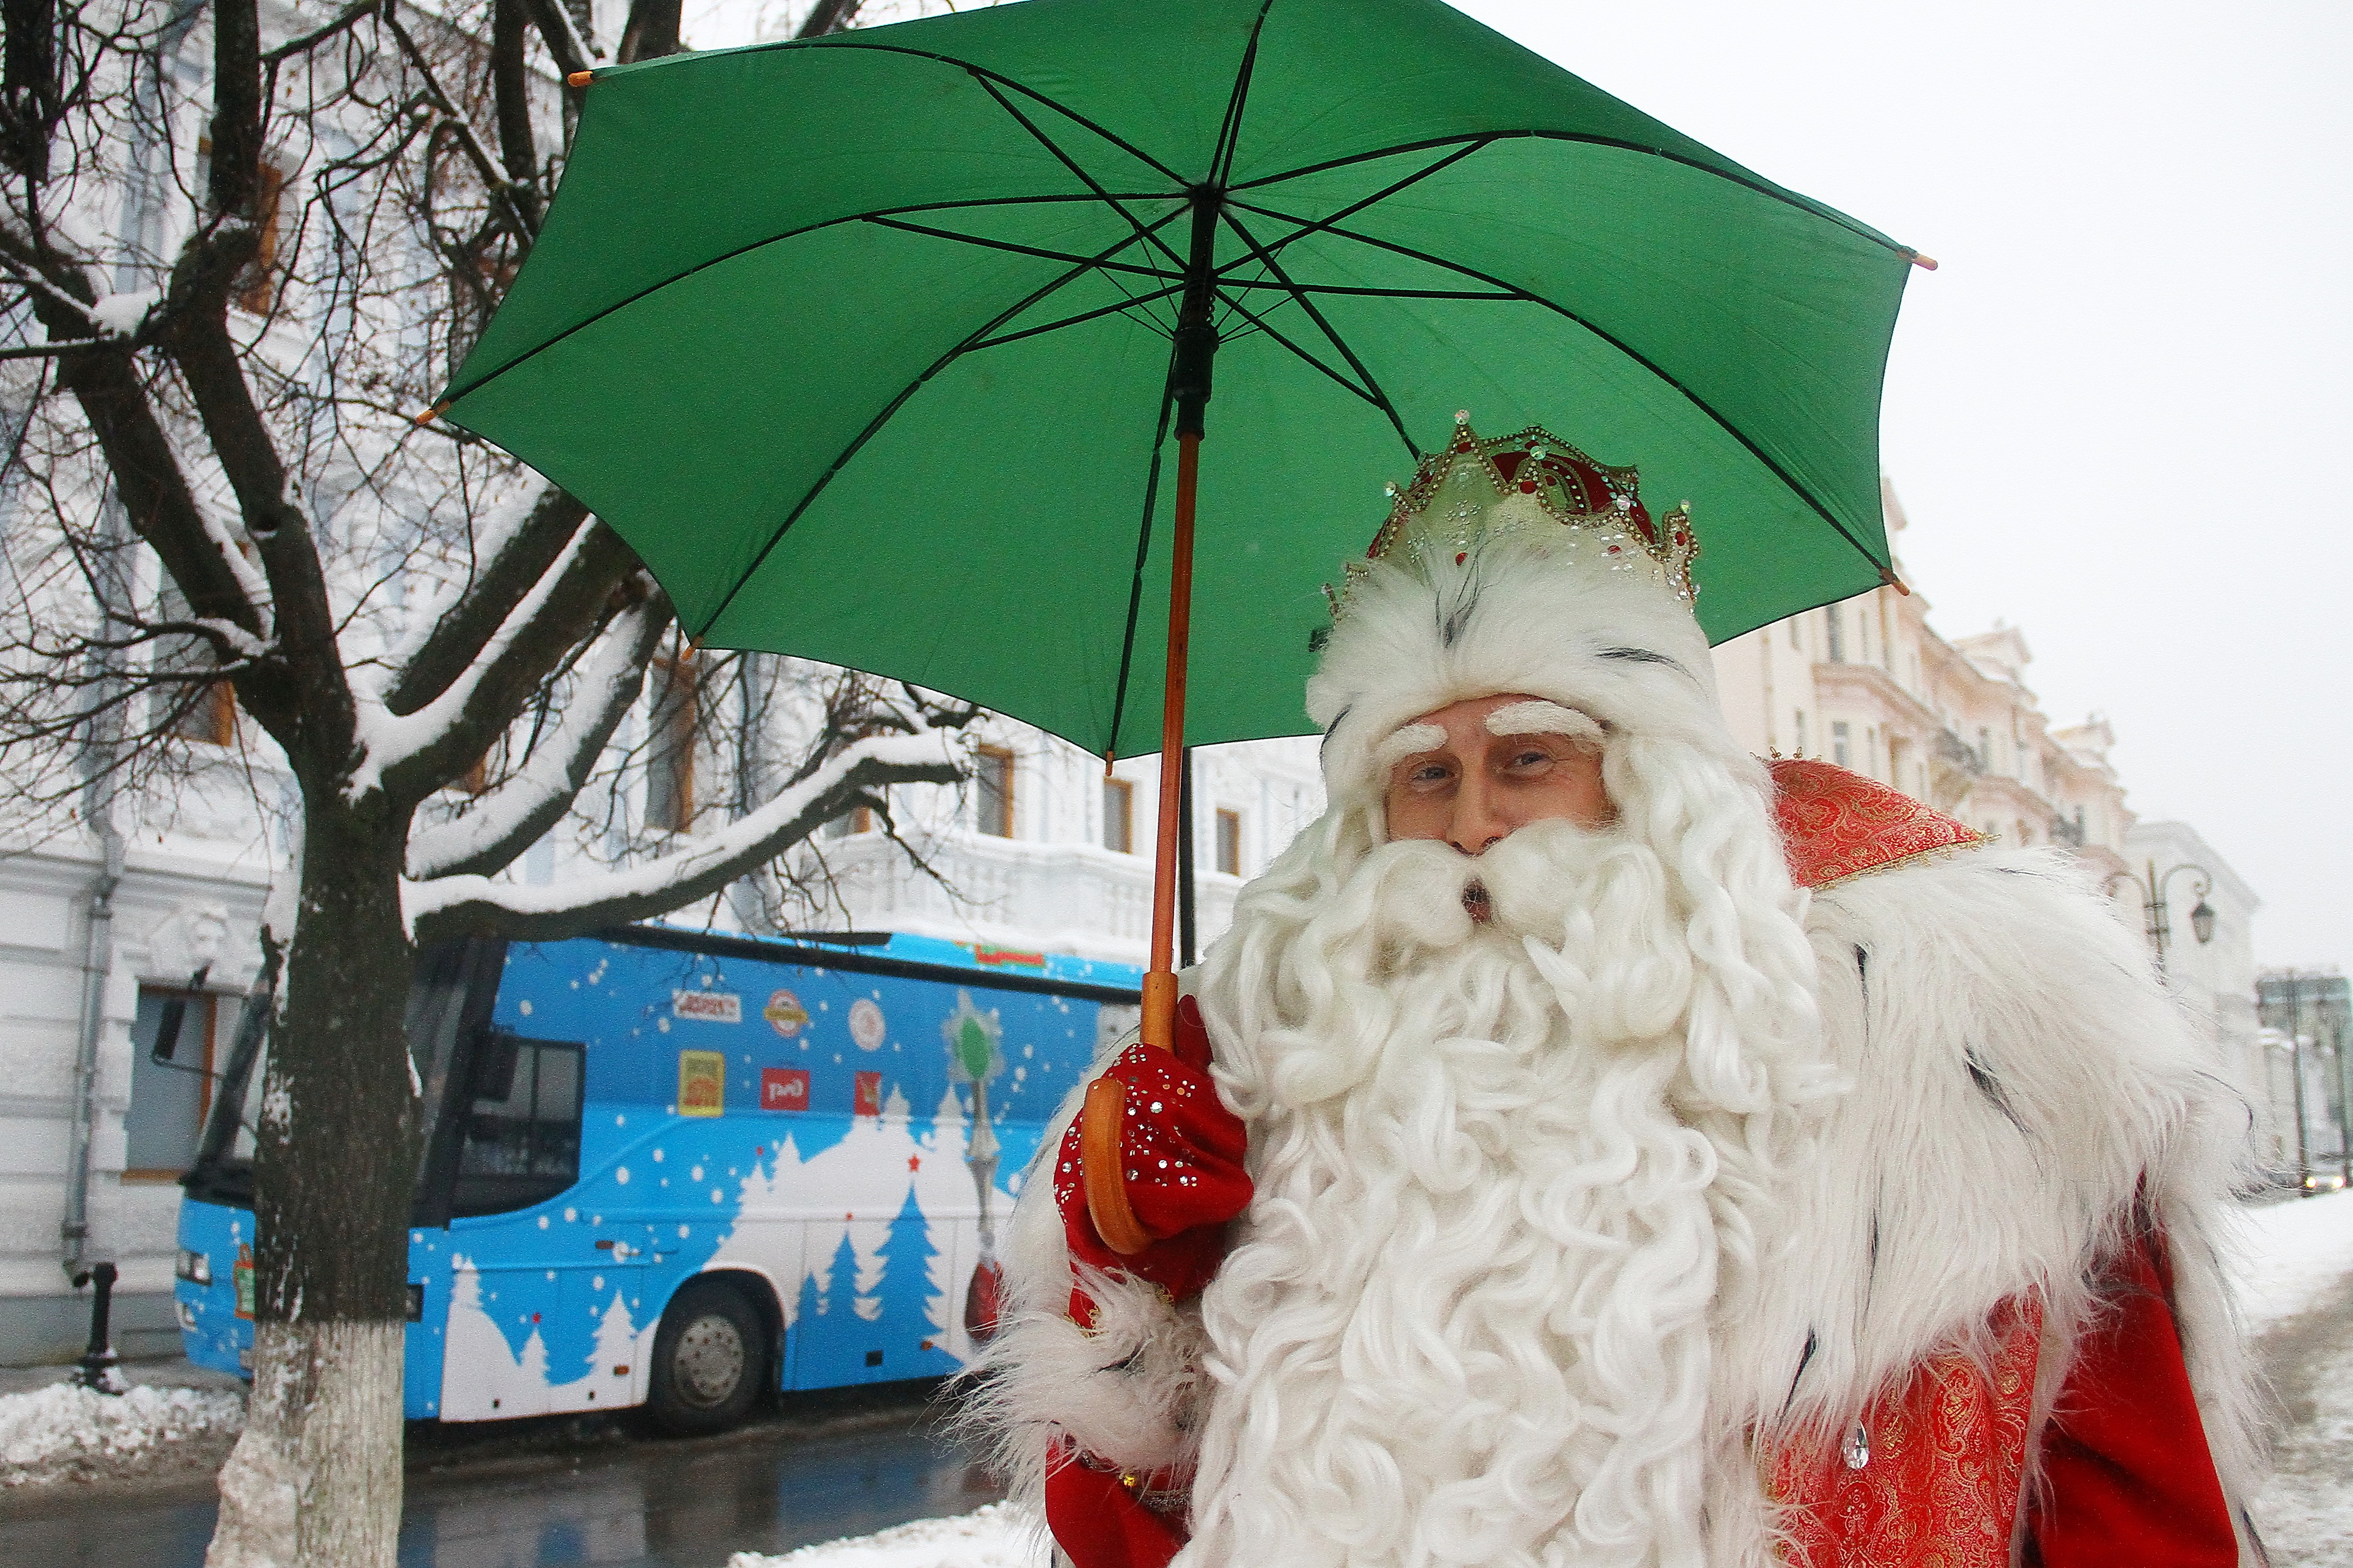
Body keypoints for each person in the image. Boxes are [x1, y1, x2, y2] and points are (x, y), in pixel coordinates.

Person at [972, 417, 2263, 1568]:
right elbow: (1129, 1533)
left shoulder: (1977, 1043)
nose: (1472, 823)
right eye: (1424, 776)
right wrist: (1135, 1299)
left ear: (1649, 779)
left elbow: (2145, 1518)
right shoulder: (1277, 1068)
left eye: (1527, 759)